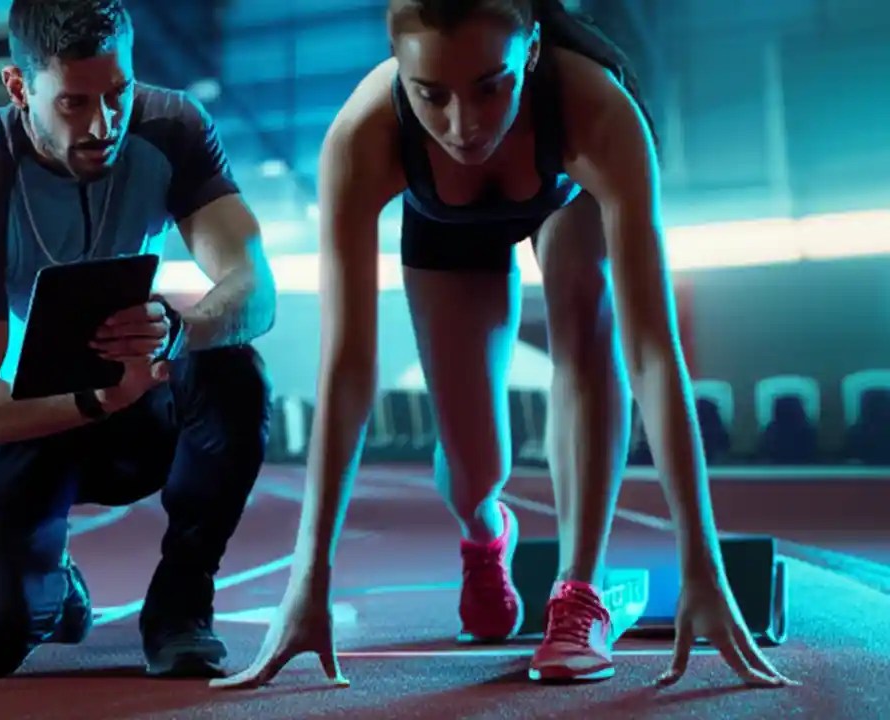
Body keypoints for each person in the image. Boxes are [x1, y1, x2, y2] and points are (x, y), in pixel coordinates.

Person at [214, 0, 796, 689]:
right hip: (447, 228)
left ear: (534, 51)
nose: (464, 126)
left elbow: (652, 354)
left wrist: (702, 563)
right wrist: (308, 578)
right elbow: (346, 371)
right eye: (431, 94)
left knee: (588, 322)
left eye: (492, 87)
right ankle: (485, 527)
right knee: (473, 467)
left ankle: (578, 592)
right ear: (398, 64)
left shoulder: (598, 112)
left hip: (565, 198)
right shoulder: (362, 137)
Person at [0, 0, 276, 680]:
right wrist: (96, 400)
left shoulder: (170, 127)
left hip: (132, 401)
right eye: (75, 103)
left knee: (233, 367)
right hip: (16, 420)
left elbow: (255, 287)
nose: (102, 125)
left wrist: (184, 328)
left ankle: (180, 608)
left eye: (117, 94)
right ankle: (52, 582)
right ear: (19, 88)